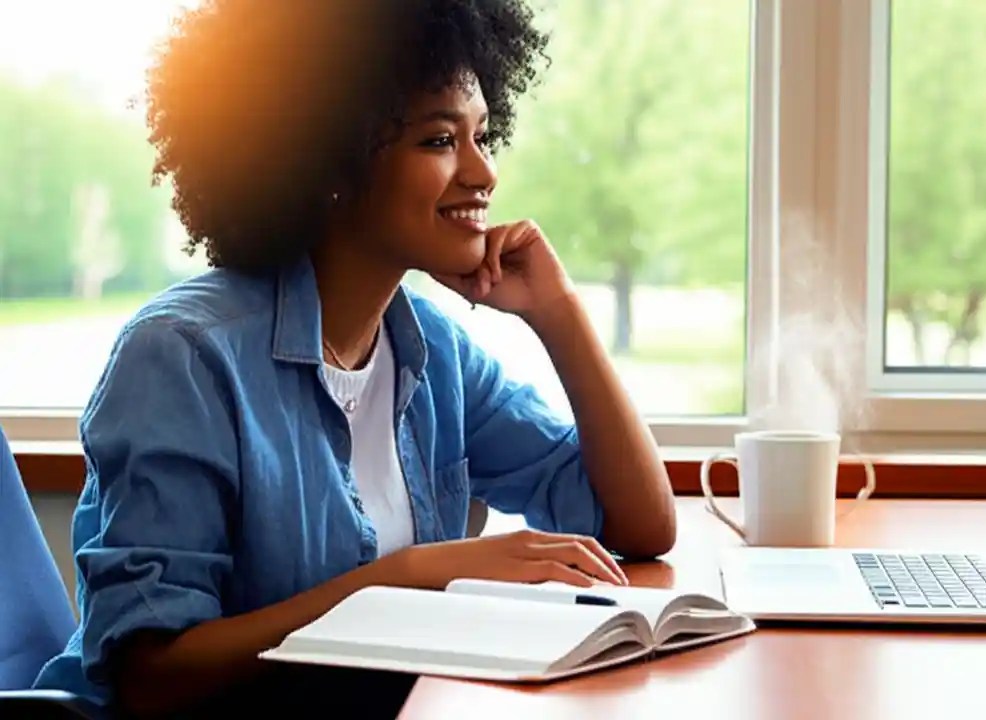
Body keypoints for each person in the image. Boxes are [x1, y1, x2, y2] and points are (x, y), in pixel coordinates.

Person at [33, 0, 677, 716]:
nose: (483, 172)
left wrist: (559, 315)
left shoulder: (430, 349)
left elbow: (640, 525)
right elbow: (151, 675)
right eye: (439, 140)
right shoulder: (182, 358)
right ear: (330, 159)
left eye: (482, 135)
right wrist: (404, 580)